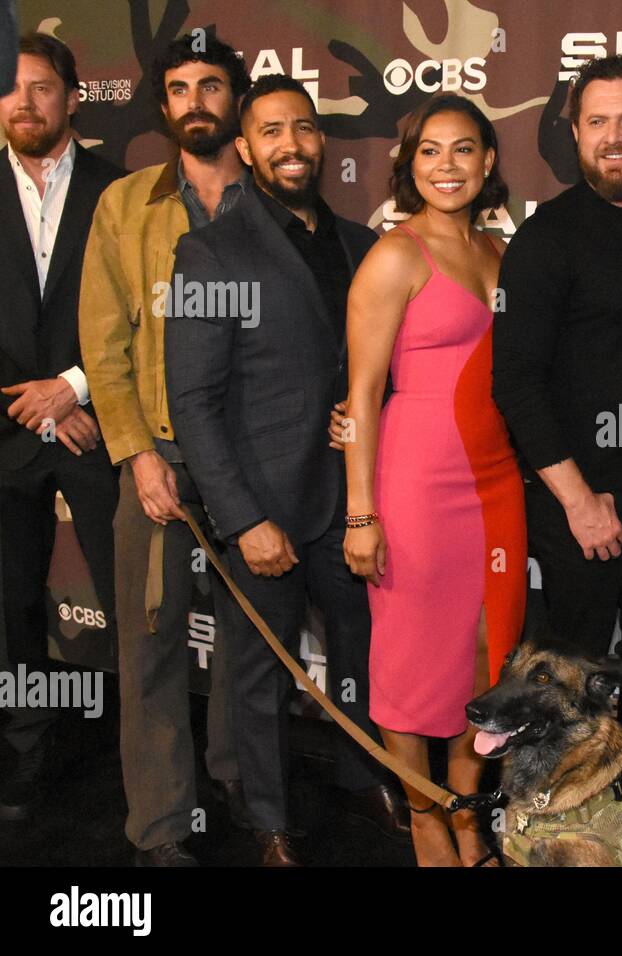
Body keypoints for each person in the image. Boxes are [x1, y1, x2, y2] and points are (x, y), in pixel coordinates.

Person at [164, 74, 405, 866]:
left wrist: (360, 419)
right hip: (262, 510)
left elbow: (373, 372)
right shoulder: (208, 251)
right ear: (244, 147)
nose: (291, 144)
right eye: (270, 131)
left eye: (302, 128)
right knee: (261, 679)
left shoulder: (361, 245)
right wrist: (241, 520)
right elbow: (193, 401)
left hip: (351, 503)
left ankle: (363, 778)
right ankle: (267, 820)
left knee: (361, 654)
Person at [492, 54, 622, 801]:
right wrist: (578, 500)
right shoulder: (545, 239)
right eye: (597, 121)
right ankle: (556, 830)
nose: (614, 137)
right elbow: (514, 380)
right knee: (565, 696)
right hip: (579, 512)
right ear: (575, 134)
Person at [79, 35, 251, 866]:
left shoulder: (273, 200)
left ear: (236, 98)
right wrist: (137, 455)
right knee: (149, 646)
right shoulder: (125, 207)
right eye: (179, 88)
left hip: (256, 465)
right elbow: (103, 345)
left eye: (210, 85)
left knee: (251, 646)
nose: (195, 102)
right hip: (161, 459)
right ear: (163, 104)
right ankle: (159, 824)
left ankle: (241, 782)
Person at [343, 92, 525, 867]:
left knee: (484, 659)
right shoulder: (395, 255)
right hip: (416, 483)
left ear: (488, 163)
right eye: (429, 151)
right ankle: (424, 822)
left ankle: (465, 815)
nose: (446, 166)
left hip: (497, 482)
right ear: (407, 166)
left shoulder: (501, 252)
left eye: (462, 150)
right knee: (414, 664)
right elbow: (359, 396)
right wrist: (360, 513)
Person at [0, 32, 123, 823]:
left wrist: (75, 391)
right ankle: (26, 756)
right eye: (11, 89)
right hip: (8, 429)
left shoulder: (121, 192)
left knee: (140, 608)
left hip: (100, 429)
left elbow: (143, 313)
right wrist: (35, 404)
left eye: (43, 87)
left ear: (74, 98)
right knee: (10, 611)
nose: (24, 102)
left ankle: (148, 769)